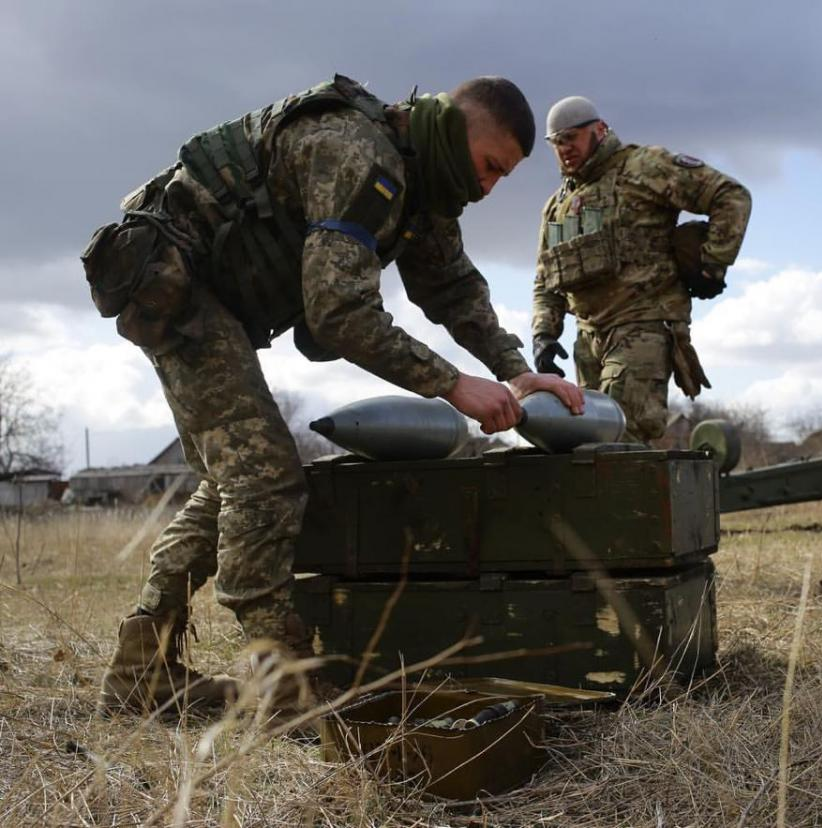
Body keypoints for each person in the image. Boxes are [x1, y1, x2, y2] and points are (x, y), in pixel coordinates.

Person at [82, 74, 583, 715]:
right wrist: (454, 386)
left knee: (236, 481)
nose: (486, 190)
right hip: (172, 282)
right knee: (264, 483)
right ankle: (287, 686)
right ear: (457, 131)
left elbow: (453, 288)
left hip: (211, 299)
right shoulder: (359, 151)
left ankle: (139, 671)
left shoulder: (424, 180)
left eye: (501, 180)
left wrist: (516, 372)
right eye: (489, 167)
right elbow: (338, 313)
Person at [530, 96, 751, 443]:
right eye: (557, 142)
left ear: (599, 130)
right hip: (588, 339)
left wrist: (713, 263)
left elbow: (730, 196)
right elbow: (546, 277)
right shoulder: (557, 207)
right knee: (590, 441)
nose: (564, 149)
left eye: (571, 137)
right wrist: (544, 334)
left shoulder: (644, 167)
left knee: (623, 435)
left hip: (642, 322)